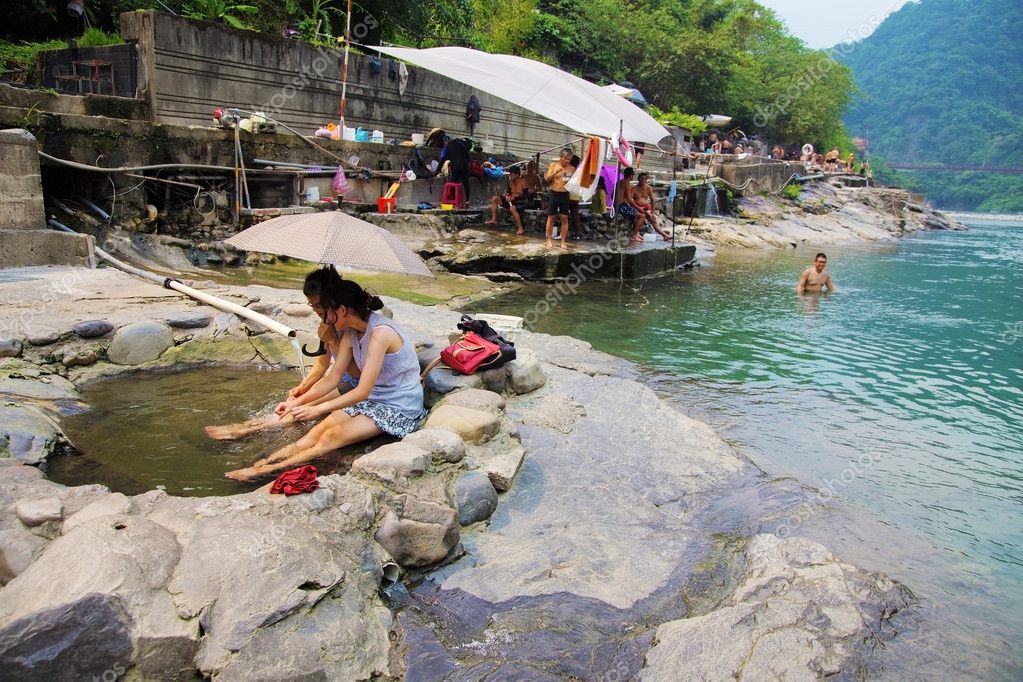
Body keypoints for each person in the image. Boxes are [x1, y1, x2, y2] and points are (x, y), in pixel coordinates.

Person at [225, 267, 426, 481]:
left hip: (398, 406)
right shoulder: (350, 333)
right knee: (312, 434)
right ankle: (264, 463)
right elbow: (332, 377)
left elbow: (363, 390)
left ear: (341, 310)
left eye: (326, 311)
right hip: (375, 399)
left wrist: (317, 408)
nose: (325, 319)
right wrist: (296, 403)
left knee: (329, 437)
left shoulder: (380, 334)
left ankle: (263, 473)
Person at [205, 320, 349, 441]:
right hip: (337, 377)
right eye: (313, 307)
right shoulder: (328, 324)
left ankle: (247, 429)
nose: (317, 312)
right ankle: (248, 425)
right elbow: (323, 363)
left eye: (317, 307)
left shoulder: (349, 331)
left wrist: (331, 339)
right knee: (295, 400)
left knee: (299, 406)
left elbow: (351, 369)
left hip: (350, 382)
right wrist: (303, 387)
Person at [485, 166, 529, 235]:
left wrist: (514, 198)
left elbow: (526, 195)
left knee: (512, 208)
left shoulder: (523, 182)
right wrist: (507, 195)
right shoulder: (510, 181)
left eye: (511, 174)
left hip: (520, 202)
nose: (510, 175)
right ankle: (494, 219)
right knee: (495, 199)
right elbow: (509, 192)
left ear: (516, 175)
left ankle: (520, 228)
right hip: (511, 201)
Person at [544, 147, 573, 249]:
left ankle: (563, 241)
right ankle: (548, 240)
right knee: (551, 217)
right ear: (561, 157)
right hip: (554, 193)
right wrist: (555, 172)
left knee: (564, 218)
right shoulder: (553, 165)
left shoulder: (571, 168)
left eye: (569, 159)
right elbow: (547, 179)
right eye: (565, 158)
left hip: (565, 194)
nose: (567, 161)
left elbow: (572, 183)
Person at [632, 172, 671, 241]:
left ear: (646, 180)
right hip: (638, 208)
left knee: (653, 219)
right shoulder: (634, 188)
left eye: (644, 179)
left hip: (647, 208)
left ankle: (665, 235)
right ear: (638, 179)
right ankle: (636, 234)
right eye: (641, 178)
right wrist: (638, 208)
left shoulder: (648, 188)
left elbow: (652, 200)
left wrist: (652, 211)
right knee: (638, 217)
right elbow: (630, 200)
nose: (642, 180)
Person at [441, 136, 471, 204]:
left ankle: (454, 200)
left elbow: (445, 158)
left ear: (446, 142)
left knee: (453, 182)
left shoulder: (448, 146)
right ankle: (467, 200)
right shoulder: (460, 144)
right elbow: (467, 156)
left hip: (455, 166)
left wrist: (438, 170)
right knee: (466, 182)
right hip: (464, 165)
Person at [567, 154, 583, 240]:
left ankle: (576, 233)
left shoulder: (573, 172)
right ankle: (575, 233)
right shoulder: (578, 172)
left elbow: (569, 184)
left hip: (571, 197)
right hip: (575, 197)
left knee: (572, 215)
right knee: (574, 215)